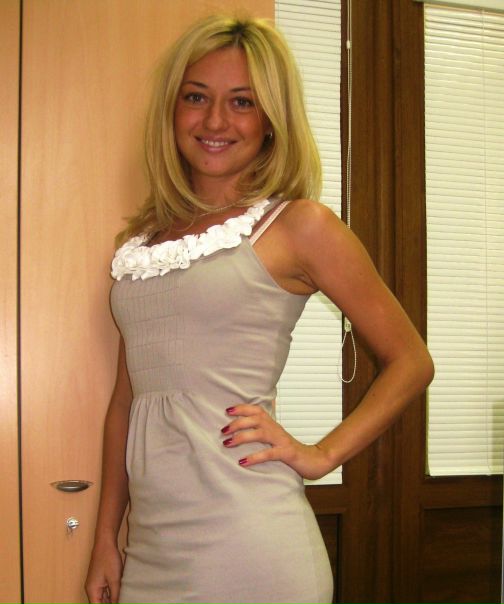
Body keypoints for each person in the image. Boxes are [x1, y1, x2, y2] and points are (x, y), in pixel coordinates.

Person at [85, 14, 434, 604]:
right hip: (151, 550)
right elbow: (127, 403)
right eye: (196, 97)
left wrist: (321, 455)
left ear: (271, 119)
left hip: (251, 544)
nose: (215, 121)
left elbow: (411, 361)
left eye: (242, 102)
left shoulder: (299, 226)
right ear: (172, 109)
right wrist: (104, 538)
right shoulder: (143, 246)